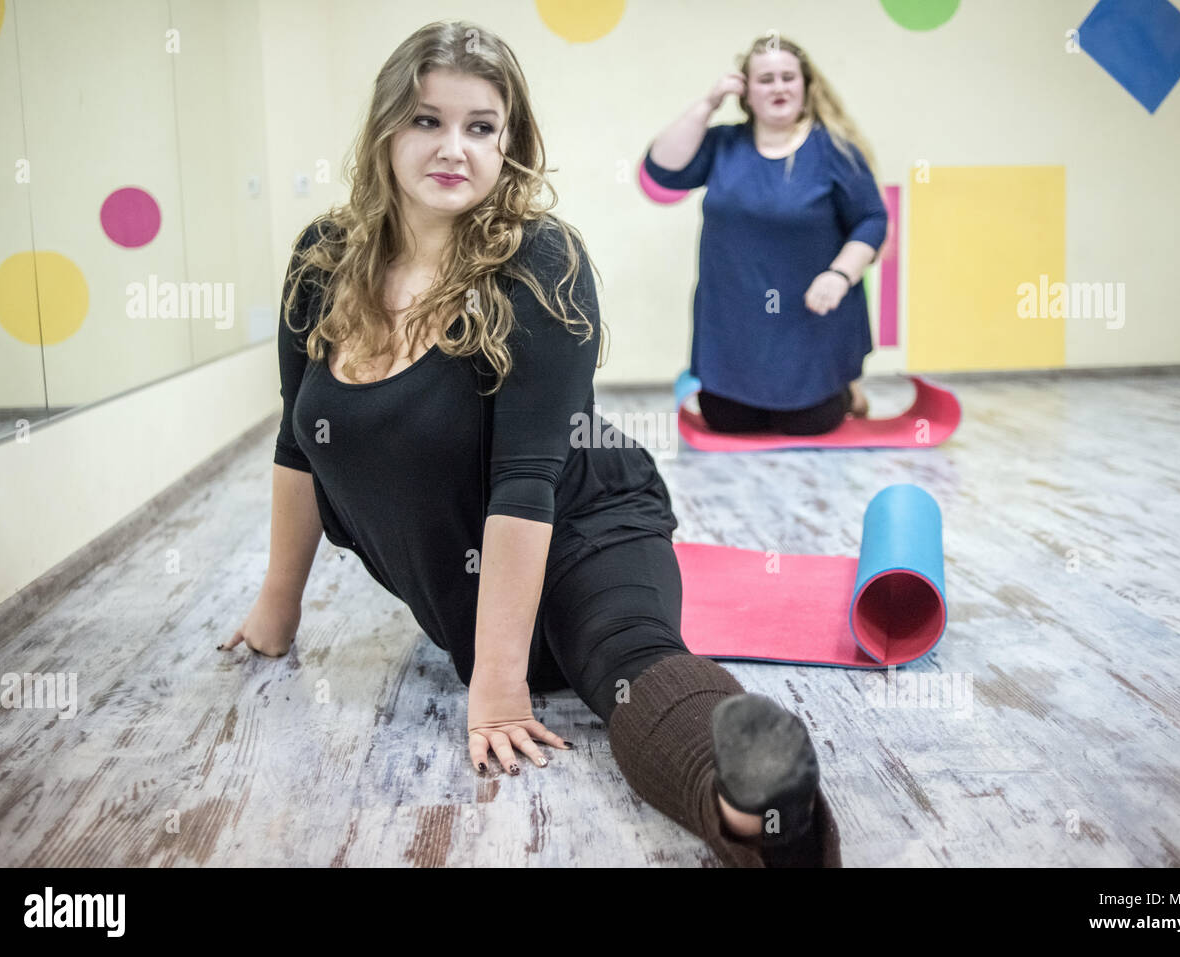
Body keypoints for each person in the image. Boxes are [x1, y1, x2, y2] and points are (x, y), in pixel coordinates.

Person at [222, 20, 842, 867]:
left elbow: (524, 481)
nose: (454, 147)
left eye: (482, 126)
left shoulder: (539, 263)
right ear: (383, 131)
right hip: (464, 587)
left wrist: (498, 680)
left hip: (583, 525)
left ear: (509, 144)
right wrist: (277, 607)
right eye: (427, 120)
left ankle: (762, 814)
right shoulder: (321, 263)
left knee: (625, 655)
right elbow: (300, 441)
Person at [644, 35, 889, 434]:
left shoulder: (834, 151)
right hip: (734, 321)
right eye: (766, 79)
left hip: (808, 319)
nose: (778, 87)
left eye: (788, 77)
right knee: (727, 421)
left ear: (806, 87)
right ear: (746, 93)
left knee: (808, 422)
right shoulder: (724, 143)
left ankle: (847, 393)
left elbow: (872, 220)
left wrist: (840, 275)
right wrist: (708, 103)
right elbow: (662, 169)